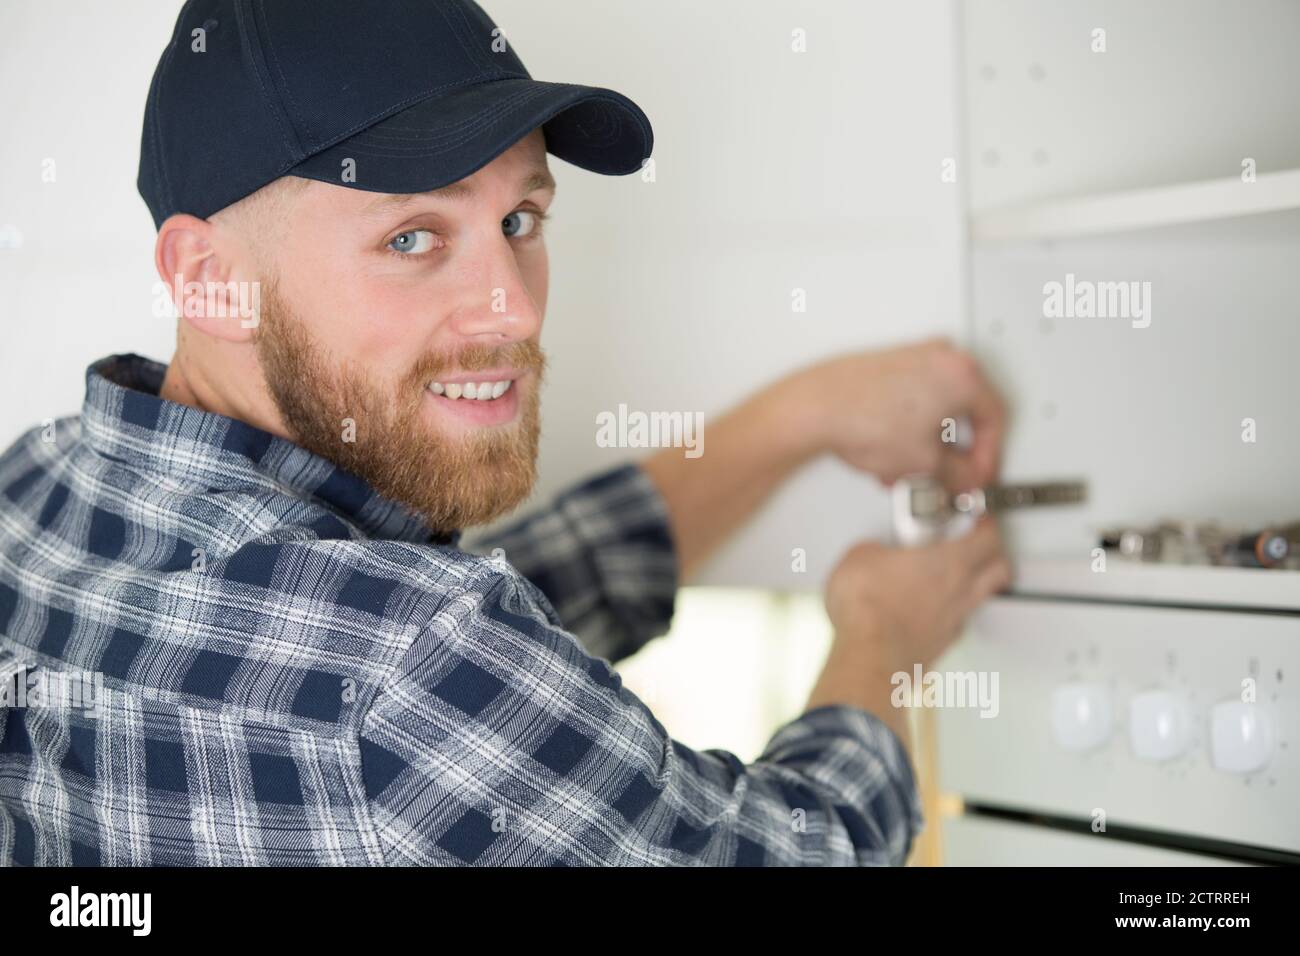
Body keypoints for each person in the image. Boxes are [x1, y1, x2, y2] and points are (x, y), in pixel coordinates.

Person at [0, 0, 1008, 866]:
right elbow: (805, 849)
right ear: (203, 275)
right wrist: (883, 631)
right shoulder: (410, 662)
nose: (512, 311)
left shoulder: (37, 491)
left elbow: (458, 657)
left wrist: (796, 419)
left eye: (520, 221)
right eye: (411, 237)